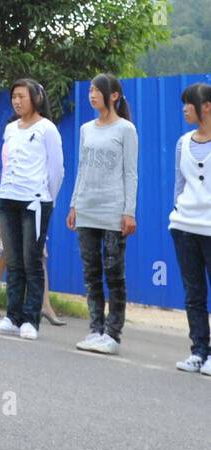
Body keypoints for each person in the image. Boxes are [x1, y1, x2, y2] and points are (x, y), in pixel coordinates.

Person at [0, 79, 64, 341]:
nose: (17, 101)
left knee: (32, 261)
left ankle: (31, 319)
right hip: (7, 199)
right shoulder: (9, 129)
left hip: (35, 202)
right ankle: (12, 316)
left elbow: (56, 170)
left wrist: (47, 198)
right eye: (14, 97)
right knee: (14, 260)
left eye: (22, 96)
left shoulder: (47, 129)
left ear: (36, 99)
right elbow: (6, 164)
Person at [66, 74, 138, 355]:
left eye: (97, 90)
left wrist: (128, 212)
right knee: (91, 273)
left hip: (113, 211)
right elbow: (82, 168)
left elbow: (131, 173)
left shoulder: (126, 129)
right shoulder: (86, 129)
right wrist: (74, 204)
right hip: (86, 208)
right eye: (90, 90)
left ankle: (113, 333)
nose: (92, 94)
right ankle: (95, 329)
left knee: (114, 272)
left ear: (114, 96)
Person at [169, 82, 211, 374]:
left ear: (206, 107)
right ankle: (199, 351)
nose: (184, 109)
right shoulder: (183, 142)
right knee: (193, 292)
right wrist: (176, 212)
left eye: (189, 103)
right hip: (184, 227)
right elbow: (179, 184)